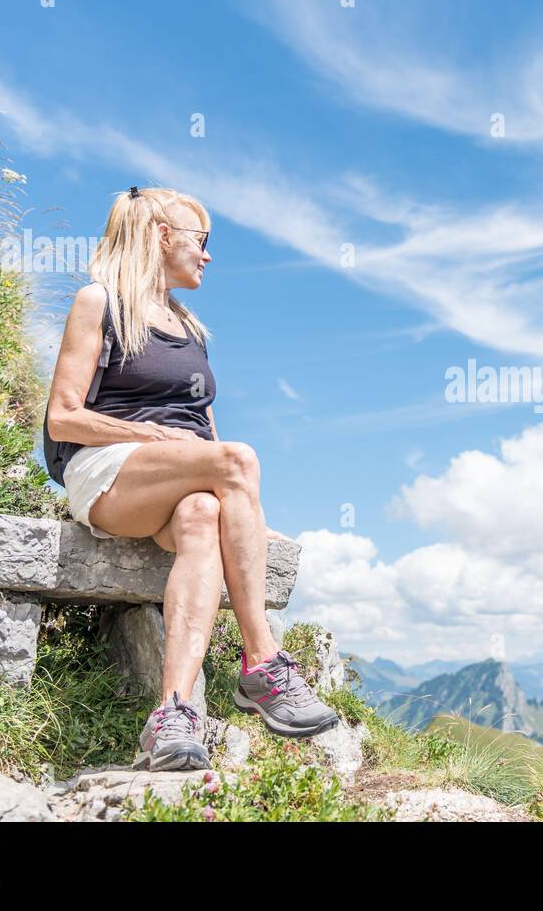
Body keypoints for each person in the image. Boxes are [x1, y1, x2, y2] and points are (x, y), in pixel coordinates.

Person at [45, 186, 337, 771]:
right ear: (161, 236)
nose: (207, 256)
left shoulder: (190, 328)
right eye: (201, 241)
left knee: (205, 513)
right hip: (108, 472)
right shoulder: (99, 302)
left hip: (179, 478)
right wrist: (153, 437)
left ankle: (173, 716)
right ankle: (262, 663)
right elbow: (62, 416)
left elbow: (207, 437)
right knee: (238, 459)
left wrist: (248, 516)